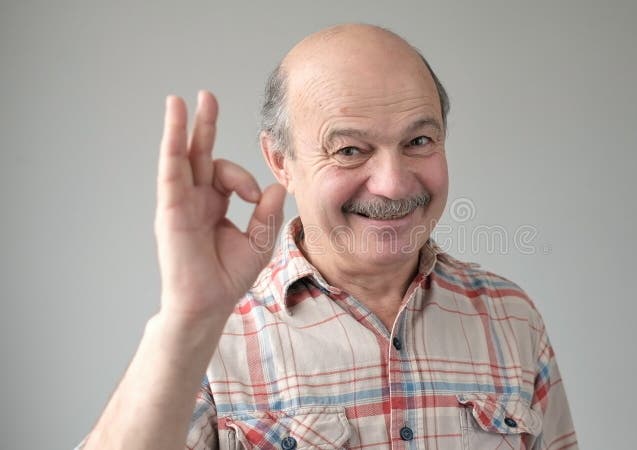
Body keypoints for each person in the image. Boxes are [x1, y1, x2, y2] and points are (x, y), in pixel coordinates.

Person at [81, 24, 578, 450]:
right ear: (281, 161)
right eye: (349, 150)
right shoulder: (213, 338)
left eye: (418, 141)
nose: (393, 183)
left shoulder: (511, 317)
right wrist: (187, 319)